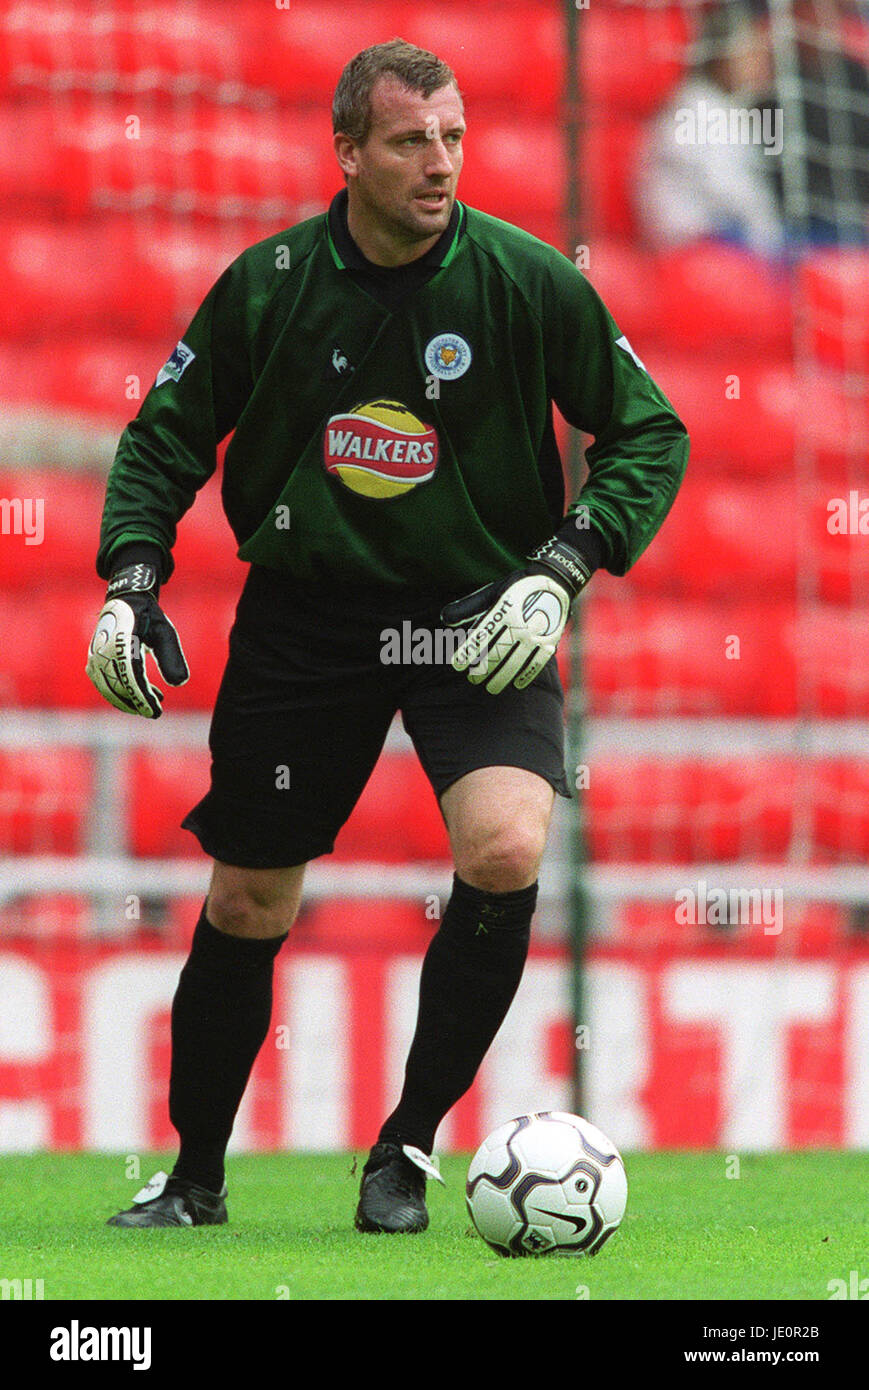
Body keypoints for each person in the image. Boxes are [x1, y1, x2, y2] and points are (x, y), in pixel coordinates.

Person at [87, 39, 689, 1235]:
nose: (440, 162)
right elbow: (165, 438)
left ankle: (403, 1150)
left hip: (482, 615)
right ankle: (195, 1178)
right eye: (412, 140)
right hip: (308, 618)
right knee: (250, 898)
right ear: (349, 151)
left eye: (454, 136)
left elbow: (650, 432)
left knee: (508, 846)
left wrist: (563, 567)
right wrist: (130, 576)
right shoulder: (266, 284)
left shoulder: (526, 281)